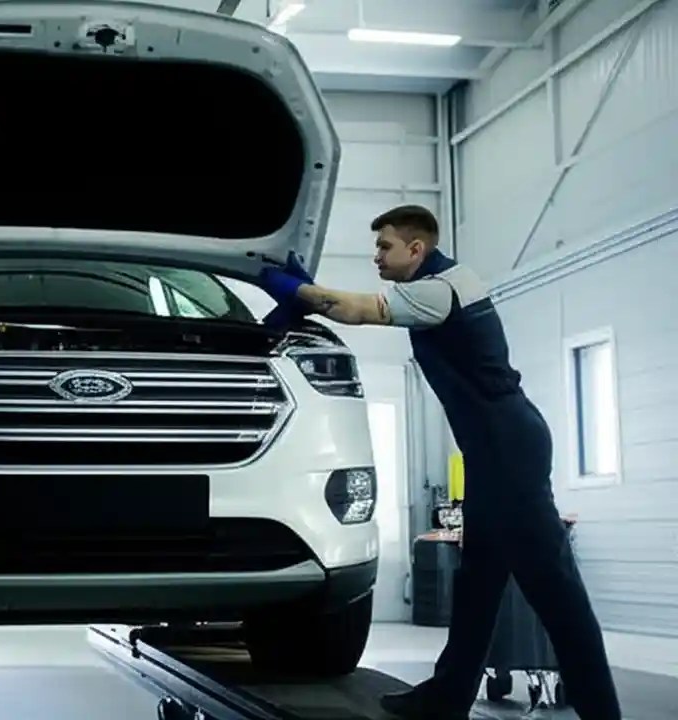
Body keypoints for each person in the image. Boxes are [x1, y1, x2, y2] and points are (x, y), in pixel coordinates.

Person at [257, 205, 621, 720]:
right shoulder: (446, 280)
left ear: (415, 249)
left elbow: (355, 310)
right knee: (477, 583)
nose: (376, 256)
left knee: (555, 591)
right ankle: (447, 696)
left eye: (384, 246)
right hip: (497, 447)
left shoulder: (438, 290)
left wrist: (292, 289)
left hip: (507, 449)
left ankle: (602, 712)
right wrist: (306, 294)